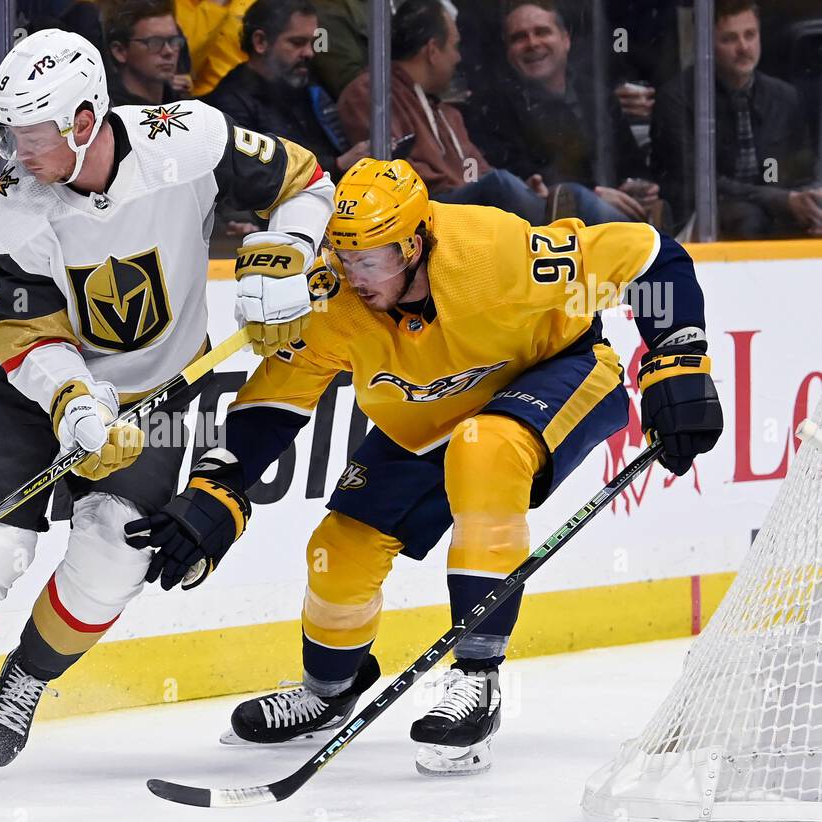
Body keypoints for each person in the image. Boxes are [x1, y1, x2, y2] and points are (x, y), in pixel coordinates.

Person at [0, 28, 334, 782]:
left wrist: (289, 251)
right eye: (8, 132)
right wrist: (70, 401)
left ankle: (28, 678)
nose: (14, 151)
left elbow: (309, 180)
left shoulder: (189, 138)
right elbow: (24, 334)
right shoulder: (4, 211)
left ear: (85, 120)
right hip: (30, 391)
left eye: (31, 134)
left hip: (155, 391)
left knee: (114, 556)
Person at [128, 159, 722, 775]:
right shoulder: (333, 300)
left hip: (557, 373)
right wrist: (214, 488)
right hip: (435, 407)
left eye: (370, 259)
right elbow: (276, 402)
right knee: (340, 549)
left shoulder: (496, 254)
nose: (351, 274)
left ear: (415, 243)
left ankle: (477, 677)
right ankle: (329, 692)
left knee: (483, 449)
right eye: (342, 254)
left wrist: (677, 364)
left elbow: (651, 256)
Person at [340, 0, 566, 224]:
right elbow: (397, 174)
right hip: (426, 213)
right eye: (455, 47)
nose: (458, 58)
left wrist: (525, 190)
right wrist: (505, 191)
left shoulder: (446, 112)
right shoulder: (372, 93)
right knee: (500, 186)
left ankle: (558, 220)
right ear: (432, 51)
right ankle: (555, 225)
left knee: (572, 194)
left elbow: (479, 170)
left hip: (463, 210)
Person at [466, 1, 662, 227]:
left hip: (614, 218)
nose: (532, 43)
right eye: (519, 37)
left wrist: (637, 186)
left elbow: (631, 161)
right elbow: (523, 183)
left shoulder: (596, 95)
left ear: (565, 40)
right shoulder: (493, 109)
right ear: (509, 53)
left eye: (542, 32)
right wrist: (593, 195)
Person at [650, 0, 822, 238]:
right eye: (730, 39)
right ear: (706, 44)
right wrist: (782, 200)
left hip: (776, 212)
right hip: (703, 219)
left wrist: (811, 200)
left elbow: (802, 171)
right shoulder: (677, 99)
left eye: (750, 35)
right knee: (748, 217)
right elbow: (696, 185)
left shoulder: (785, 97)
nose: (744, 47)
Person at [207, 0, 364, 183]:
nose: (309, 53)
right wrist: (337, 165)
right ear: (260, 42)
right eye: (297, 43)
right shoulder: (230, 104)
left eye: (312, 43)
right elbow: (253, 177)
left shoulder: (305, 83)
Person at [103, 0, 188, 107]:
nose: (169, 51)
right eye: (155, 42)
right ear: (120, 51)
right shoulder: (109, 115)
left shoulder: (185, 107)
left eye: (173, 40)